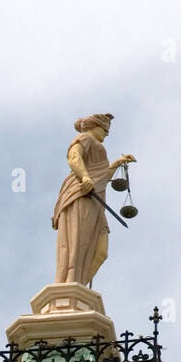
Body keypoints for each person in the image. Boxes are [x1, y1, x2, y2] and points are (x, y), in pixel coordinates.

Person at [51, 113, 135, 285]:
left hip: (96, 200)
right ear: (94, 126)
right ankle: (70, 282)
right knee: (77, 241)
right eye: (105, 129)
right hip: (82, 193)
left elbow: (102, 177)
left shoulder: (97, 147)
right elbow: (74, 157)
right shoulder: (85, 139)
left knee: (101, 251)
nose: (107, 133)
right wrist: (85, 178)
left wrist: (118, 163)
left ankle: (79, 285)